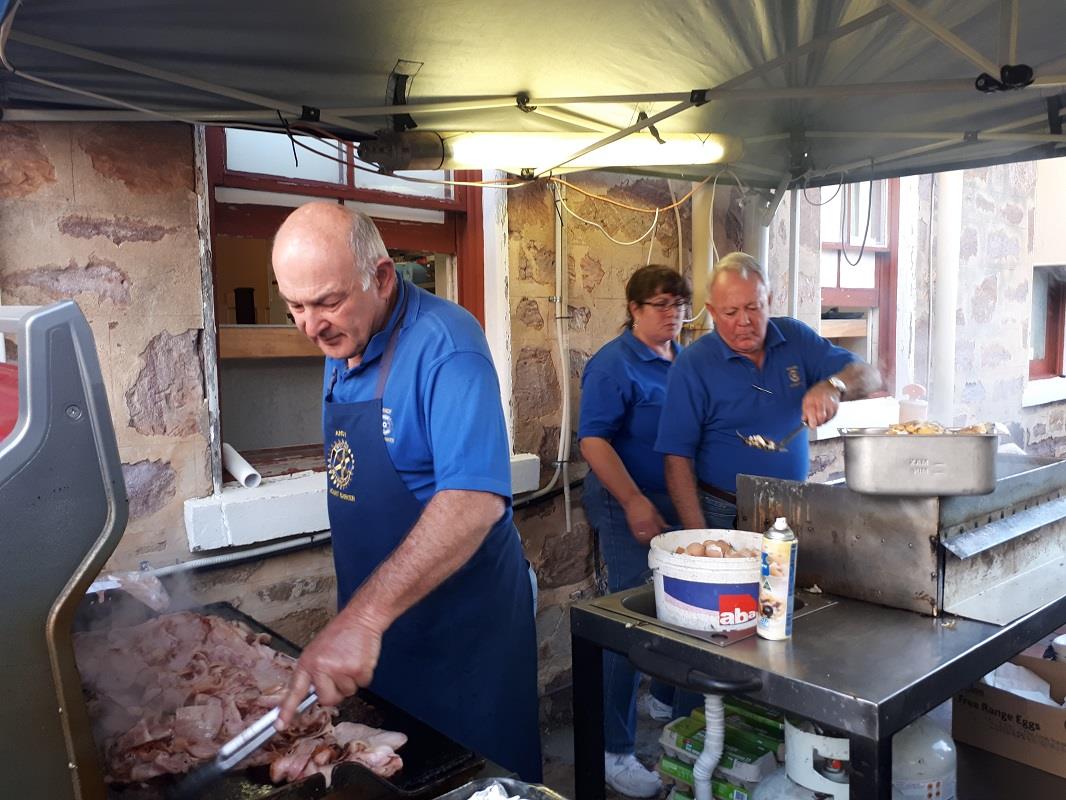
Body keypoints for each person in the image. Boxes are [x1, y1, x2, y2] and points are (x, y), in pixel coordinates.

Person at [271, 202, 541, 781]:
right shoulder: (346, 337)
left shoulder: (447, 347)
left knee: (478, 783)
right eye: (294, 305)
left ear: (383, 277)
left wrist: (360, 621)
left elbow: (473, 501)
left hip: (463, 642)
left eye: (326, 301)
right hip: (381, 636)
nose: (311, 325)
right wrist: (361, 623)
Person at [656, 252, 881, 530]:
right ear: (712, 312)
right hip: (724, 511)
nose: (744, 321)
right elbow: (676, 457)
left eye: (753, 307)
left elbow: (869, 375)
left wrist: (834, 387)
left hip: (792, 505)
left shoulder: (796, 338)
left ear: (770, 300)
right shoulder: (692, 365)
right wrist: (698, 535)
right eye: (730, 312)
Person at [579, 264, 690, 798]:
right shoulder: (612, 365)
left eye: (679, 305)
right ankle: (613, 751)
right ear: (634, 309)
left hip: (678, 503)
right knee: (627, 623)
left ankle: (666, 700)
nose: (672, 315)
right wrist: (633, 501)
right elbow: (594, 443)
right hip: (628, 509)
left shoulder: (683, 360)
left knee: (684, 608)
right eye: (661, 305)